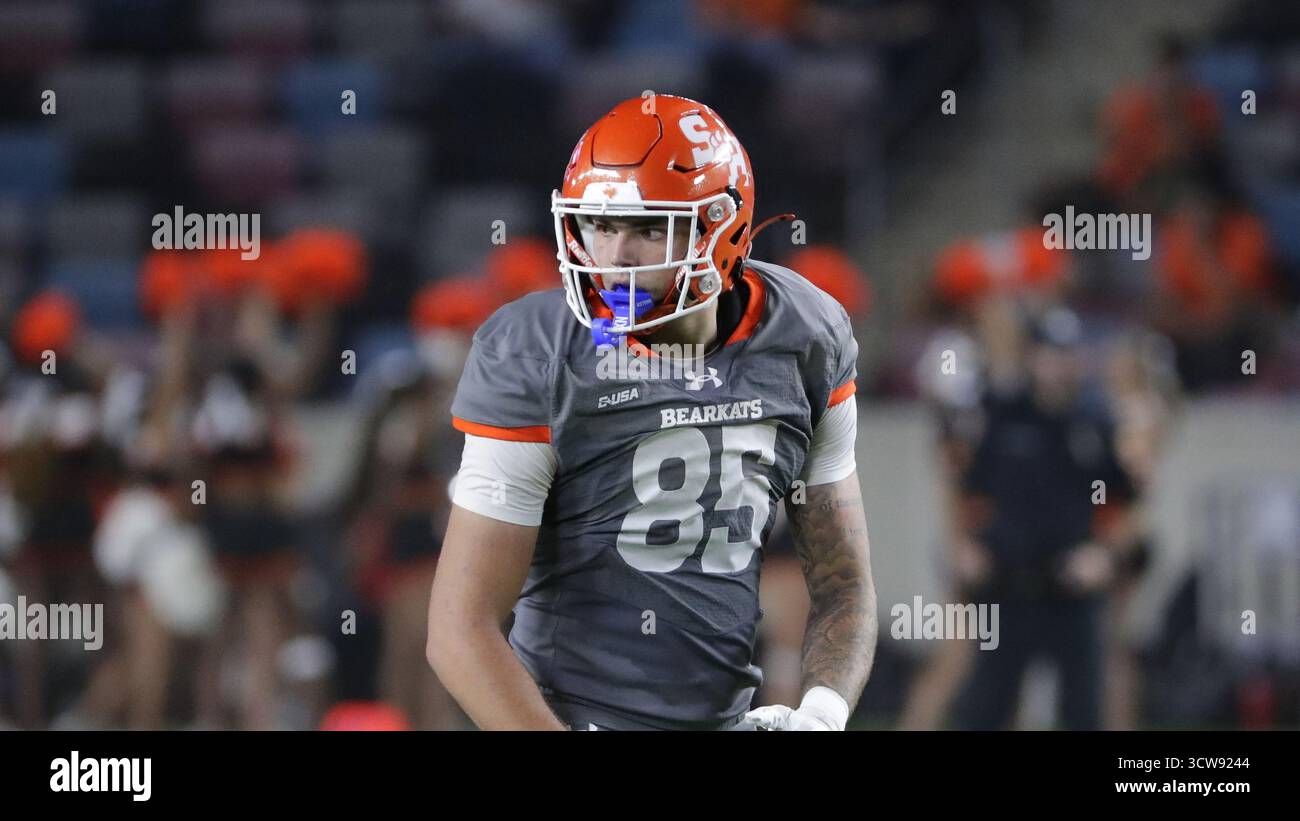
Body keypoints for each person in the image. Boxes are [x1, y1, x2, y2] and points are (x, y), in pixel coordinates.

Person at [426, 95, 877, 730]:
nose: (614, 259)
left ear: (721, 226)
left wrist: (822, 714)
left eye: (646, 228)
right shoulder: (539, 352)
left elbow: (843, 583)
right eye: (600, 226)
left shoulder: (804, 335)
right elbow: (460, 629)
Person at [951, 307, 1138, 730]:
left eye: (1066, 354)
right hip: (1007, 580)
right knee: (983, 706)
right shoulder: (1002, 413)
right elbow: (971, 490)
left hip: (1072, 588)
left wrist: (1103, 555)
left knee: (1083, 708)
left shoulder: (1095, 422)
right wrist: (968, 545)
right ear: (1032, 357)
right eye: (1048, 354)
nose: (1057, 365)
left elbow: (1124, 502)